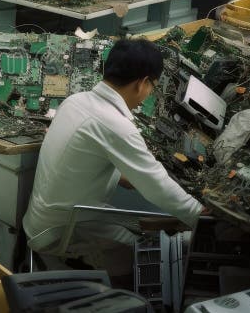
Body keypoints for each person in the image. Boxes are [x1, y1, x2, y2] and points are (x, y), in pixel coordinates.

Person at [23, 39, 203, 271]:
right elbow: (156, 185)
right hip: (61, 231)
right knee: (150, 252)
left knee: (140, 226)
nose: (148, 94)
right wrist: (199, 216)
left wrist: (128, 177)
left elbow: (79, 163)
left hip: (42, 219)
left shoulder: (74, 102)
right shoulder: (115, 125)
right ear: (142, 83)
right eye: (152, 87)